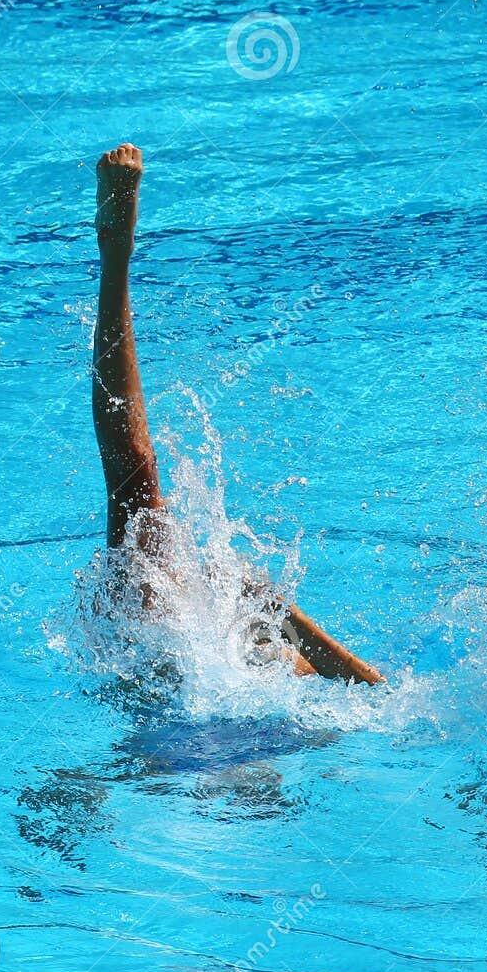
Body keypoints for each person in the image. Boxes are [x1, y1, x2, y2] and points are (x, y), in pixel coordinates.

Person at [90, 143, 383, 685]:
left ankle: (115, 256)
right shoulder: (268, 664)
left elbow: (375, 698)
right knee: (139, 487)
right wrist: (280, 615)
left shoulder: (275, 680)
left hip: (198, 731)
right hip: (208, 712)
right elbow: (371, 690)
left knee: (141, 494)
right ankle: (116, 256)